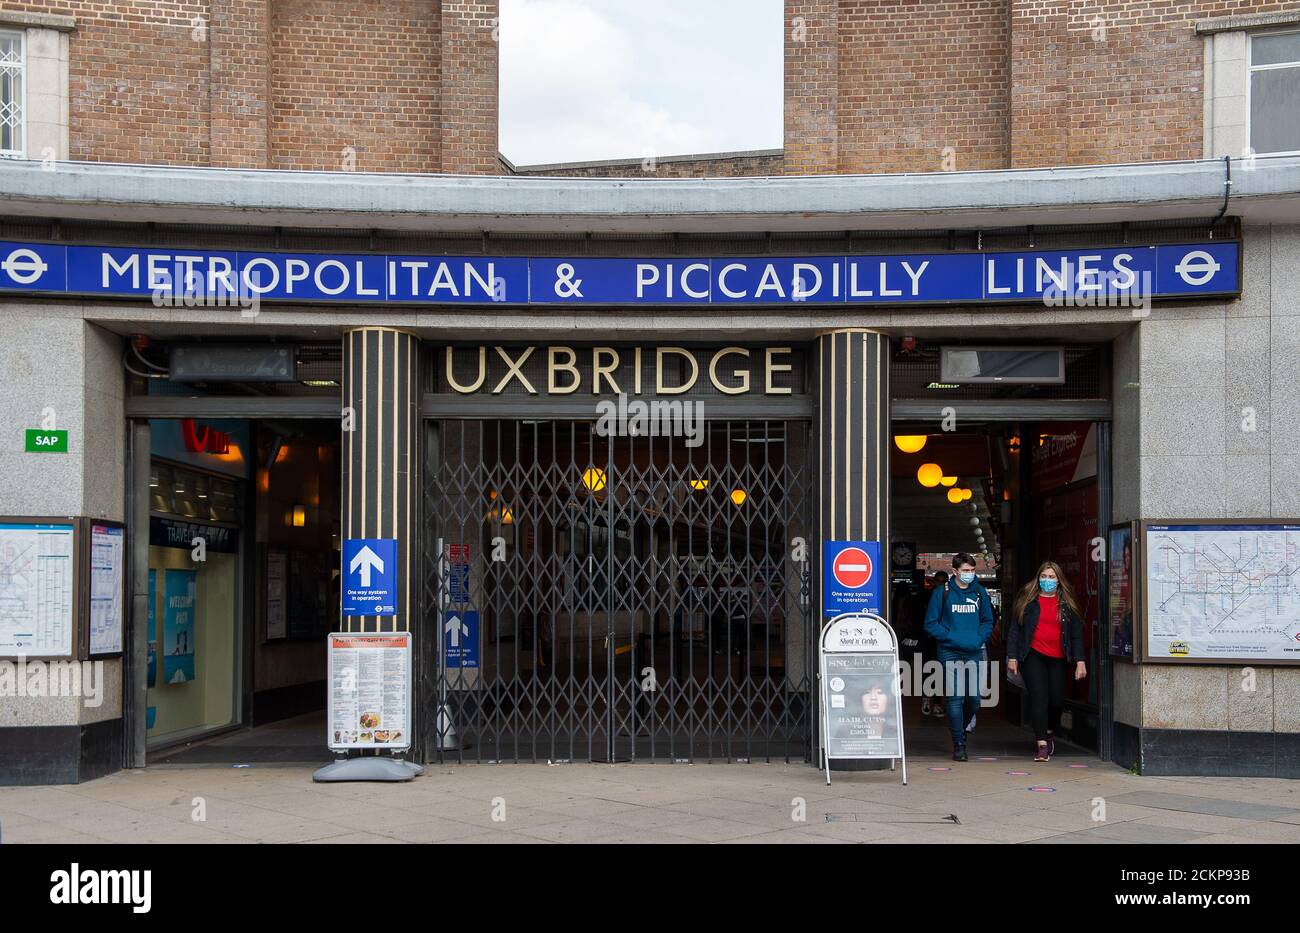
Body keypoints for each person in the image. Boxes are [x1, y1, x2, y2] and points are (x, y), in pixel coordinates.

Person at [1006, 561, 1087, 762]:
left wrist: (1080, 661)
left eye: (1052, 577)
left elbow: (1076, 635)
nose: (1047, 581)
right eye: (1044, 576)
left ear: (1059, 581)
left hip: (1059, 658)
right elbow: (1015, 630)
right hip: (1032, 656)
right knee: (1039, 698)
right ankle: (1041, 744)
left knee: (1056, 700)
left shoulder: (1067, 604)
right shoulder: (1028, 600)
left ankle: (1049, 731)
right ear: (1038, 578)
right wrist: (1013, 656)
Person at [924, 555, 993, 761]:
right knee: (956, 697)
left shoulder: (980, 592)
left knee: (974, 700)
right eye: (965, 570)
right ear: (955, 571)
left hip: (973, 650)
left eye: (972, 570)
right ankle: (959, 744)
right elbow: (931, 623)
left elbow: (988, 620)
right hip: (949, 651)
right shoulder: (941, 593)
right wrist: (950, 637)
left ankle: (959, 729)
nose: (969, 574)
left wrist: (978, 638)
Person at [919, 571, 949, 719]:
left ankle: (936, 703)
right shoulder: (924, 596)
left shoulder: (949, 597)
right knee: (927, 670)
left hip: (942, 641)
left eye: (944, 582)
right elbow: (917, 616)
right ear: (934, 581)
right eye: (938, 581)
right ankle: (926, 699)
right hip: (929, 640)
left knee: (940, 672)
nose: (941, 584)